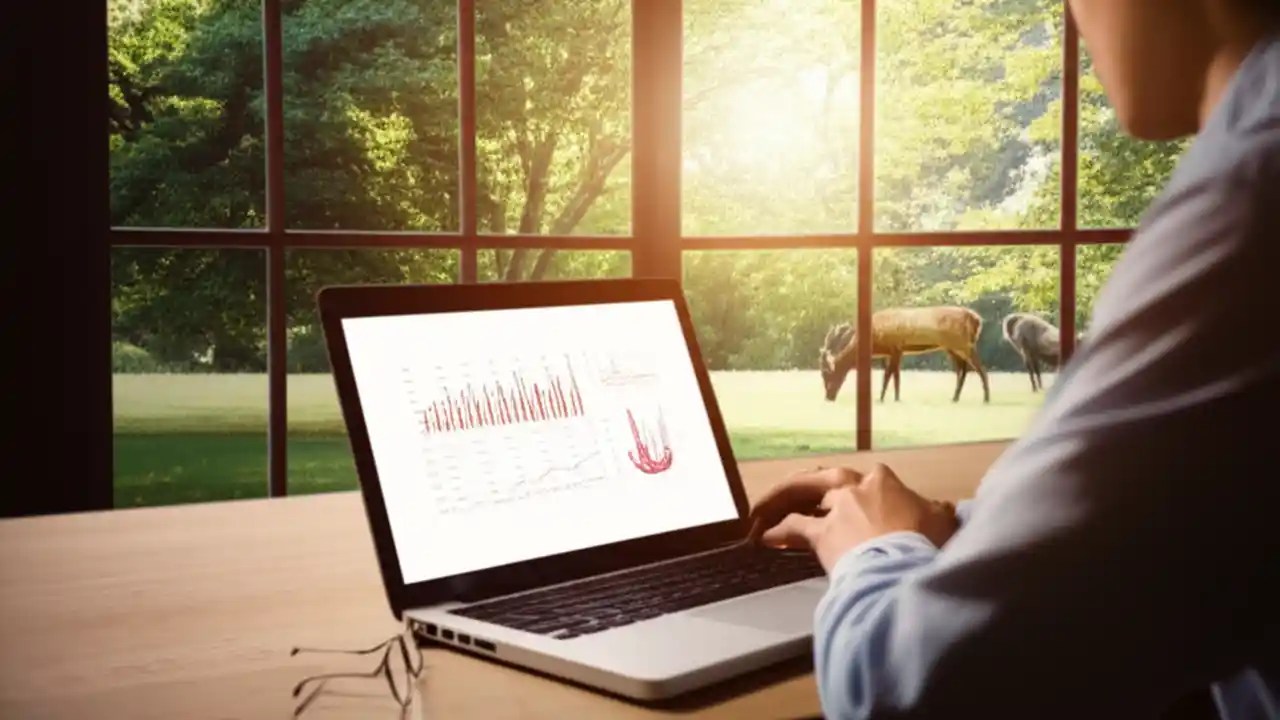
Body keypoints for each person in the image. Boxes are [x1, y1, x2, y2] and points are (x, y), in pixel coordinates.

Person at [749, 1, 1280, 718]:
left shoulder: (1248, 205)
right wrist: (963, 525)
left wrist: (876, 549)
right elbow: (1184, 507)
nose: (1070, 15)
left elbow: (910, 693)